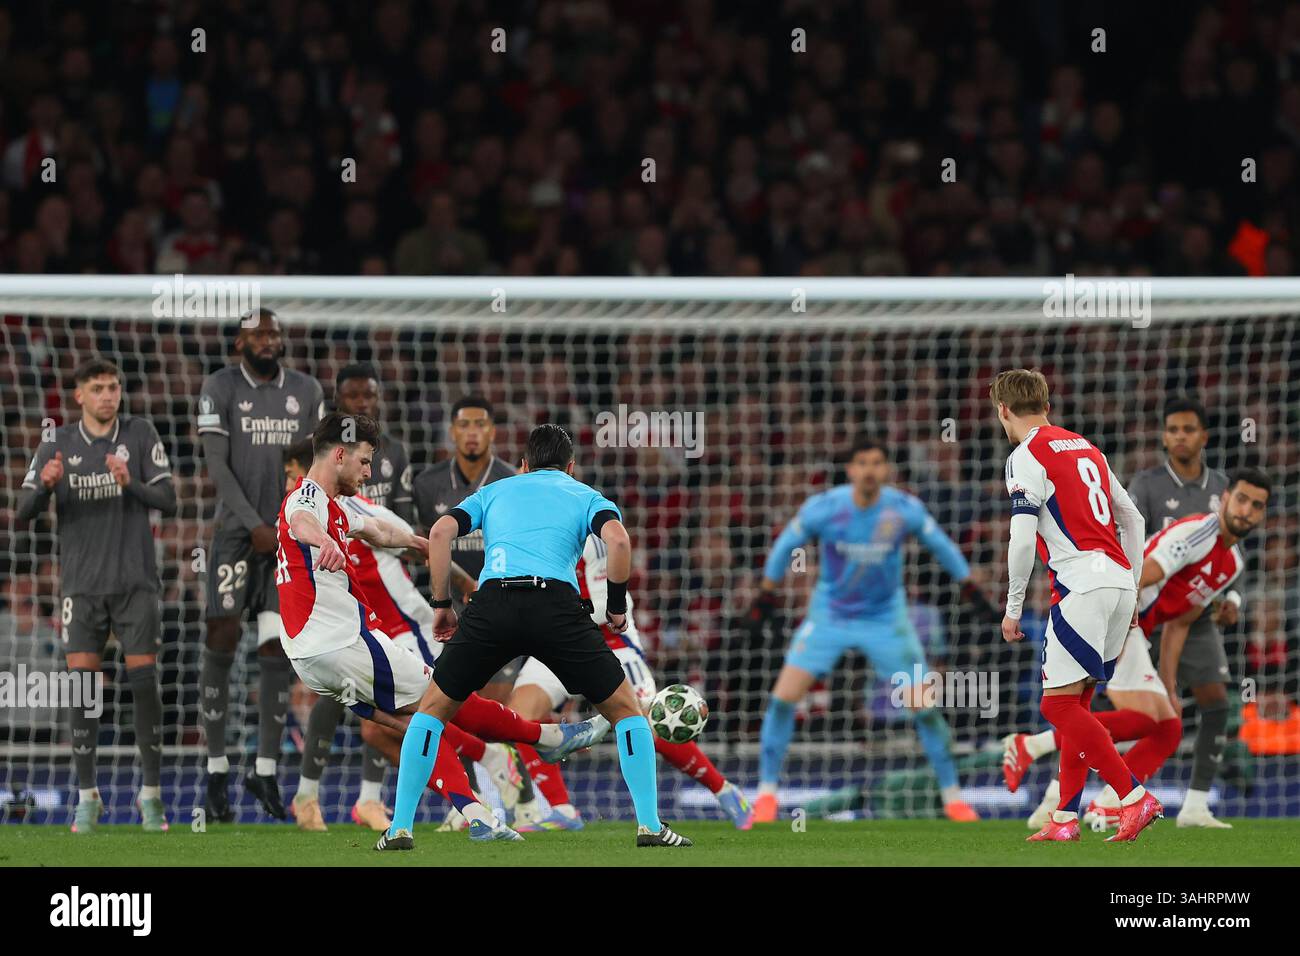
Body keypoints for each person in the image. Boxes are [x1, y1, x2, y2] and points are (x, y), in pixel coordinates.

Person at [276, 414, 604, 843]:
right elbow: (302, 522)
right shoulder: (308, 500)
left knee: (416, 725)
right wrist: (325, 542)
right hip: (345, 643)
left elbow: (375, 531)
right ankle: (546, 738)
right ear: (339, 454)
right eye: (364, 461)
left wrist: (416, 543)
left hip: (308, 658)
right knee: (445, 698)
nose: (369, 472)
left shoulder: (336, 508)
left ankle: (473, 812)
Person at [378, 424, 690, 851]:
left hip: (493, 606)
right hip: (556, 608)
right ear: (571, 467)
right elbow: (618, 541)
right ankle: (650, 827)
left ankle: (399, 830)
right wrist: (616, 605)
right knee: (626, 711)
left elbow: (438, 533)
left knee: (431, 712)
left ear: (523, 465)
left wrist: (441, 604)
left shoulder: (498, 490)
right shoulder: (584, 495)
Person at [750, 436, 999, 824]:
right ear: (851, 470)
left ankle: (953, 797)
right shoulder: (826, 508)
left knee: (926, 708)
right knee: (784, 698)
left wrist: (970, 588)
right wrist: (766, 592)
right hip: (829, 616)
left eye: (877, 463)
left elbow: (943, 547)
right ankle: (766, 793)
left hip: (886, 620)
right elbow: (786, 544)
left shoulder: (903, 509)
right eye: (862, 463)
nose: (869, 470)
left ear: (886, 470)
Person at [992, 368, 1160, 843]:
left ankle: (1132, 796)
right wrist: (1129, 582)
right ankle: (1064, 818)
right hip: (1118, 585)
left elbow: (1021, 539)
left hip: (1080, 586)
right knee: (1079, 702)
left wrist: (1012, 605)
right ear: (1046, 403)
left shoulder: (1024, 456)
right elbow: (1133, 516)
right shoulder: (1087, 447)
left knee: (1056, 706)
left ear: (1003, 410)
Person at [16, 358, 176, 833]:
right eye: (99, 388)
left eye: (114, 387)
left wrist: (133, 484)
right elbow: (22, 512)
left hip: (136, 583)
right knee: (83, 692)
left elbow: (169, 500)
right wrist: (44, 487)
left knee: (145, 687)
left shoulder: (141, 433)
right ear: (79, 396)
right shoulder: (56, 443)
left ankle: (151, 797)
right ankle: (88, 797)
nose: (109, 395)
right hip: (81, 587)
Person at [195, 307, 325, 821]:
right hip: (235, 535)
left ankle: (266, 770)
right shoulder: (219, 387)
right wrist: (253, 523)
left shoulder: (308, 391)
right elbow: (215, 465)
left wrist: (291, 522)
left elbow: (315, 463)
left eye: (274, 333)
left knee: (278, 647)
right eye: (258, 334)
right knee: (222, 636)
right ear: (239, 343)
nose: (269, 340)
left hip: (287, 536)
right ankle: (216, 767)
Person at [1125, 397, 1243, 828]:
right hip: (1142, 606)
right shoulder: (1146, 484)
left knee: (1216, 703)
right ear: (1163, 436)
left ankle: (1195, 805)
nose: (1180, 437)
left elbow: (1234, 556)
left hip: (1192, 611)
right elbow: (1129, 540)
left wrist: (1232, 601)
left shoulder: (1224, 488)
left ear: (1204, 437)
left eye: (1188, 429)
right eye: (1172, 429)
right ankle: (1070, 792)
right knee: (1124, 707)